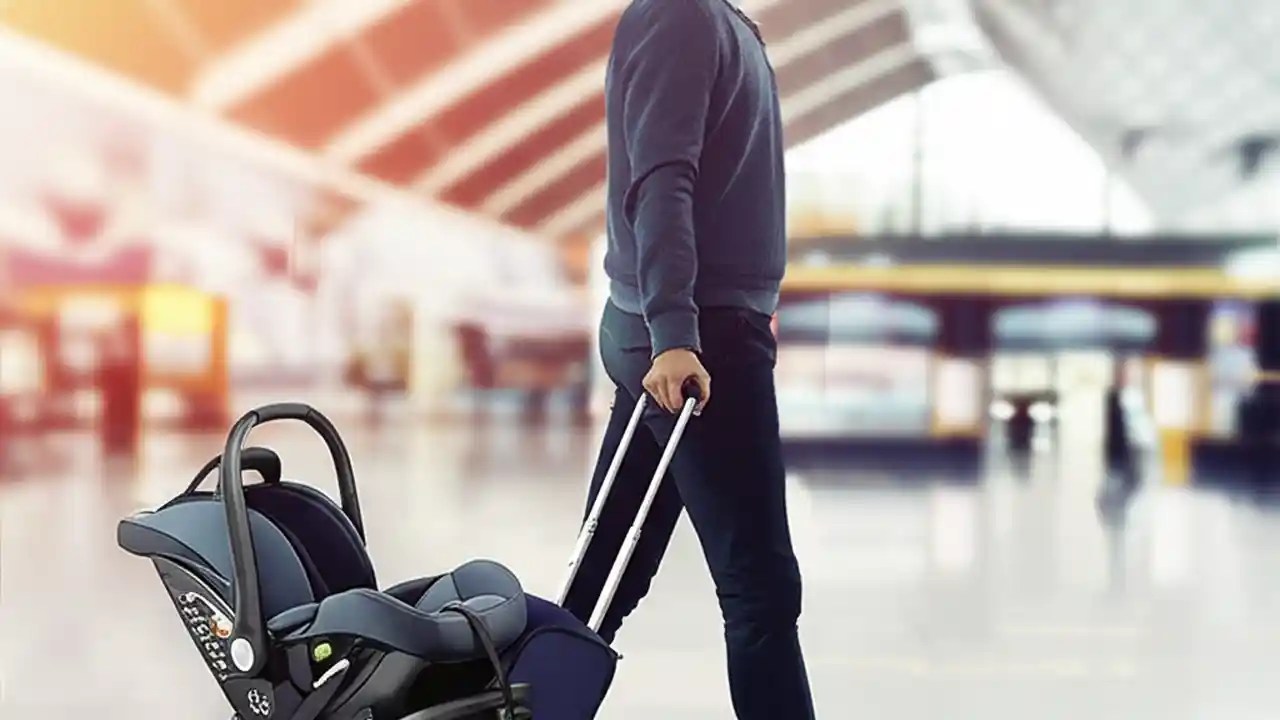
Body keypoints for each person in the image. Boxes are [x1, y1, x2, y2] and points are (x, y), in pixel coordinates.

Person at [562, 1, 816, 718]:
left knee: (604, 579)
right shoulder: (680, 15)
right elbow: (660, 178)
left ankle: (530, 701)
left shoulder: (720, 20)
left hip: (689, 328)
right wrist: (676, 331)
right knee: (760, 590)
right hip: (695, 340)